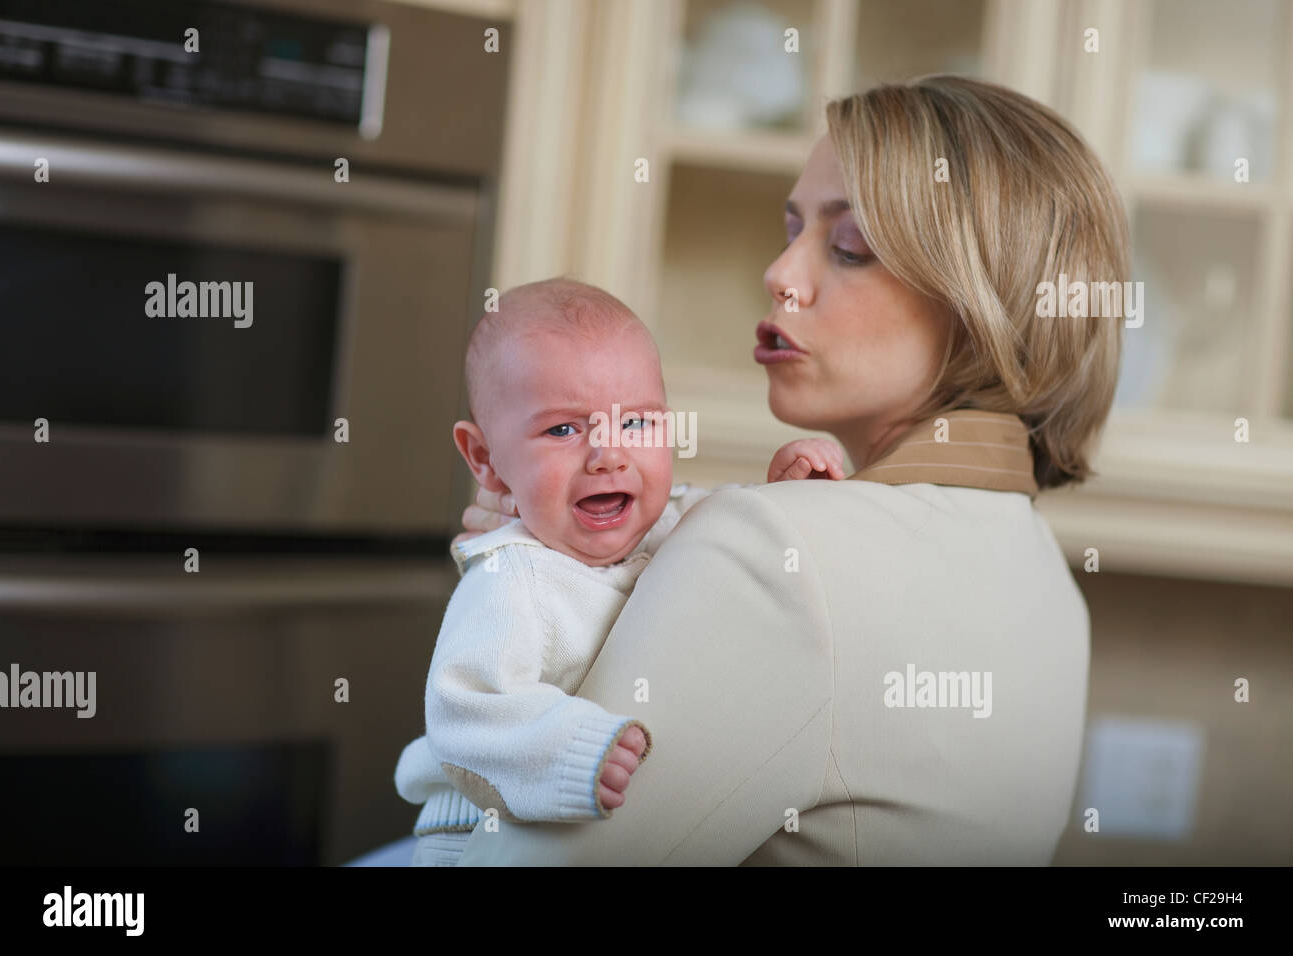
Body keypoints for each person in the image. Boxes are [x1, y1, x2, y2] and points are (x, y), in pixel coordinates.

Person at [451, 75, 1129, 865]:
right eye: (792, 229)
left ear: (982, 303)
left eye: (849, 248)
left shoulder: (777, 548)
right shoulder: (1045, 577)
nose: (780, 274)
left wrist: (527, 595)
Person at [394, 277, 846, 865]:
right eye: (562, 429)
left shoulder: (677, 521)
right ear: (485, 459)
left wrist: (790, 494)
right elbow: (468, 709)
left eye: (636, 424)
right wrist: (574, 749)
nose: (608, 454)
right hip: (473, 834)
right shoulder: (512, 579)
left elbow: (736, 532)